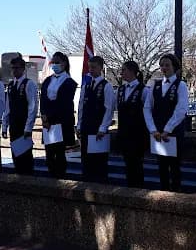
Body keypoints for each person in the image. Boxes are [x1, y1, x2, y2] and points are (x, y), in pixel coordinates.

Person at [144, 54, 188, 192]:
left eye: (167, 65)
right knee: (161, 167)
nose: (164, 68)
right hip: (157, 133)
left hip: (173, 133)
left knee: (175, 167)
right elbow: (147, 108)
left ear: (175, 67)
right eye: (162, 65)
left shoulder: (180, 85)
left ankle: (176, 196)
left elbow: (181, 109)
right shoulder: (155, 85)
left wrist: (167, 129)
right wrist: (153, 130)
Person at [39, 52, 78, 179]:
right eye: (53, 62)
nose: (54, 65)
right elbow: (43, 99)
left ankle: (60, 178)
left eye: (57, 62)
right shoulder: (48, 80)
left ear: (64, 63)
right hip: (47, 122)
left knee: (59, 154)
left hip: (60, 122)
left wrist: (52, 118)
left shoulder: (69, 82)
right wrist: (44, 117)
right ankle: (51, 177)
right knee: (49, 154)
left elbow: (63, 103)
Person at [77, 56, 114, 184]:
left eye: (94, 67)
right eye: (89, 67)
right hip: (86, 127)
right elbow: (81, 106)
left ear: (100, 68)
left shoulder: (106, 86)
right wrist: (79, 125)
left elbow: (109, 109)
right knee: (86, 159)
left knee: (99, 161)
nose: (91, 70)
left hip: (98, 129)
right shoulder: (86, 86)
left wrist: (103, 128)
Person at [2, 56, 38, 175]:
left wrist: (28, 127)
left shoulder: (29, 84)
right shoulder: (11, 85)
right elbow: (8, 107)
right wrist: (4, 126)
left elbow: (32, 107)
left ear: (23, 69)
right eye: (13, 68)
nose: (14, 71)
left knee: (25, 157)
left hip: (23, 125)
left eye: (17, 68)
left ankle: (28, 182)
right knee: (15, 155)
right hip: (14, 125)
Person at [116, 61, 150, 188]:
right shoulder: (120, 90)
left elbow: (148, 111)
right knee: (127, 163)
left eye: (124, 70)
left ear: (131, 71)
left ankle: (138, 188)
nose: (121, 73)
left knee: (137, 164)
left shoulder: (144, 90)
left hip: (138, 134)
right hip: (124, 132)